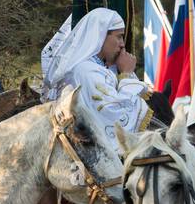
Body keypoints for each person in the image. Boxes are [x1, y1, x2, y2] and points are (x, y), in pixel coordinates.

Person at [44, 8, 155, 142]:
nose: (122, 44)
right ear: (100, 35)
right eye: (119, 36)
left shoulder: (99, 68)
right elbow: (115, 116)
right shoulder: (85, 70)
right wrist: (126, 73)